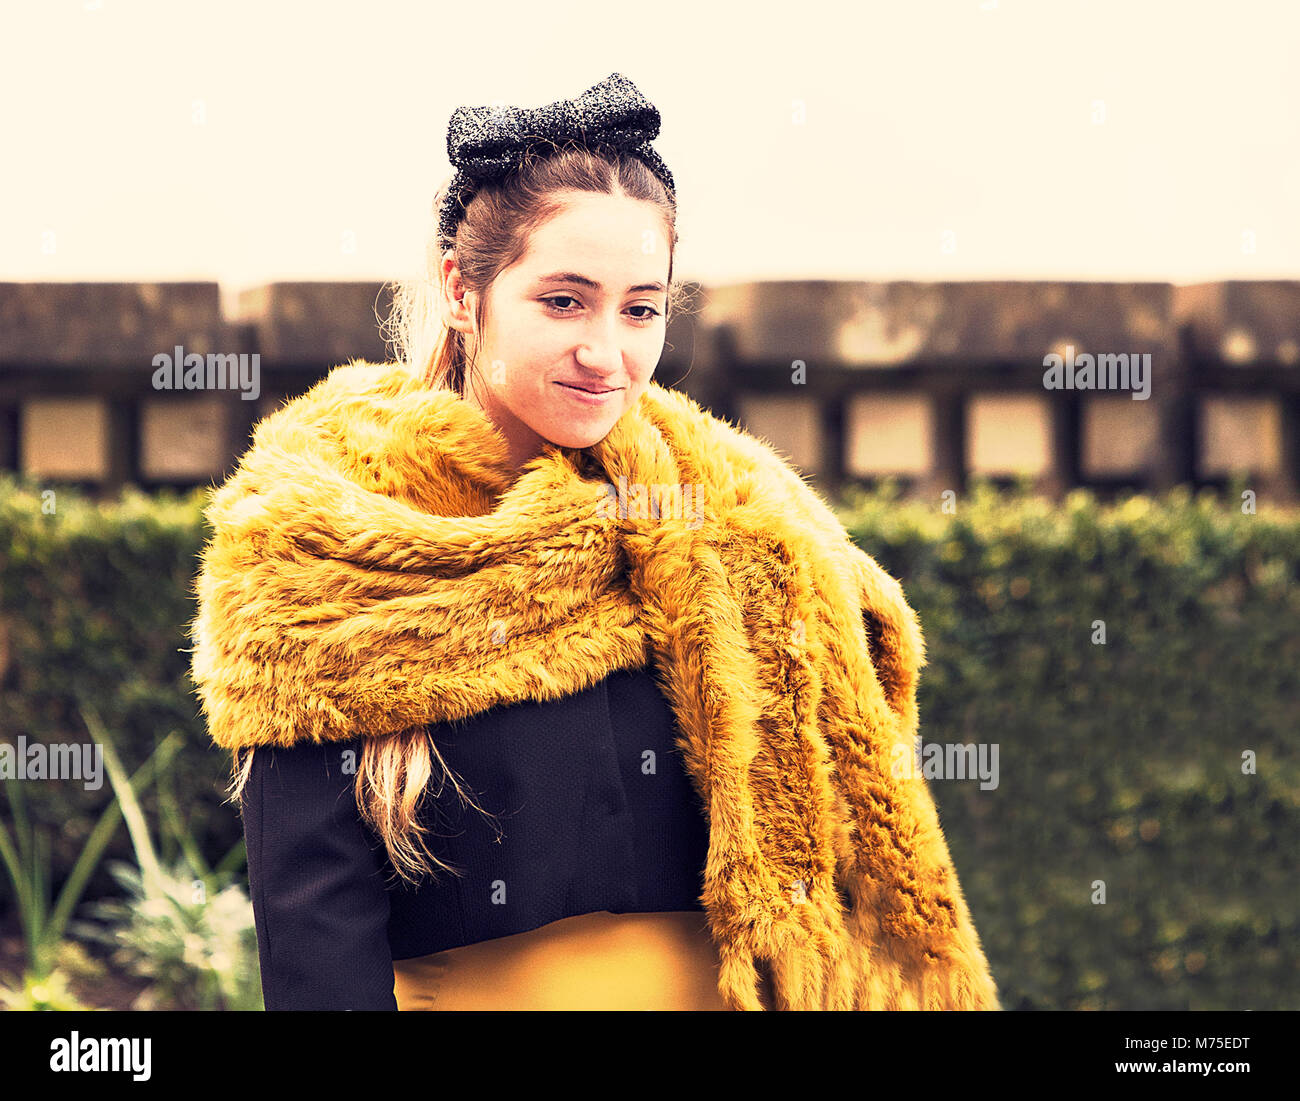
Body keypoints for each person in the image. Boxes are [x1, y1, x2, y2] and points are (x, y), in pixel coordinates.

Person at [191, 72, 1001, 1012]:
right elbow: (316, 952)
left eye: (640, 309)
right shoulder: (318, 550)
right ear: (464, 291)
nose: (607, 352)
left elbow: (854, 881)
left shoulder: (741, 529)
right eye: (565, 301)